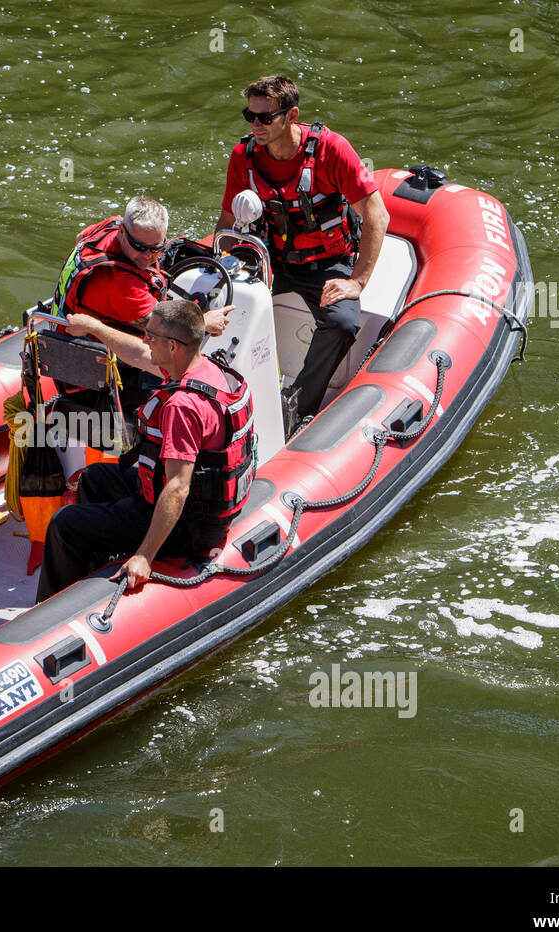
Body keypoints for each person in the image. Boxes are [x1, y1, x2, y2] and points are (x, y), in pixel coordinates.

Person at [35, 300, 256, 602]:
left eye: (151, 336)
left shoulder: (183, 406)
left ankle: (52, 609)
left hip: (186, 525)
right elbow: (136, 353)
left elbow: (178, 487)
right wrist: (94, 328)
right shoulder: (200, 368)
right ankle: (95, 570)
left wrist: (145, 556)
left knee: (65, 524)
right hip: (189, 501)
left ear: (173, 346)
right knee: (95, 478)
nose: (146, 341)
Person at [215, 74, 390, 423]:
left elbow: (377, 214)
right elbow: (226, 222)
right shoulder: (243, 156)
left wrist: (357, 282)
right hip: (269, 260)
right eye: (249, 116)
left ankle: (295, 406)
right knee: (220, 309)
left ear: (291, 115)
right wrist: (222, 269)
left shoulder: (331, 150)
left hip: (327, 264)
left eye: (265, 117)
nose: (255, 125)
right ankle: (222, 399)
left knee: (342, 323)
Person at [51, 197, 230, 413]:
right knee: (184, 372)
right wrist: (205, 321)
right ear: (123, 233)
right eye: (139, 247)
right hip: (92, 381)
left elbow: (81, 236)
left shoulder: (110, 225)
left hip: (74, 349)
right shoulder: (121, 285)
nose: (147, 257)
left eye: (156, 248)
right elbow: (168, 329)